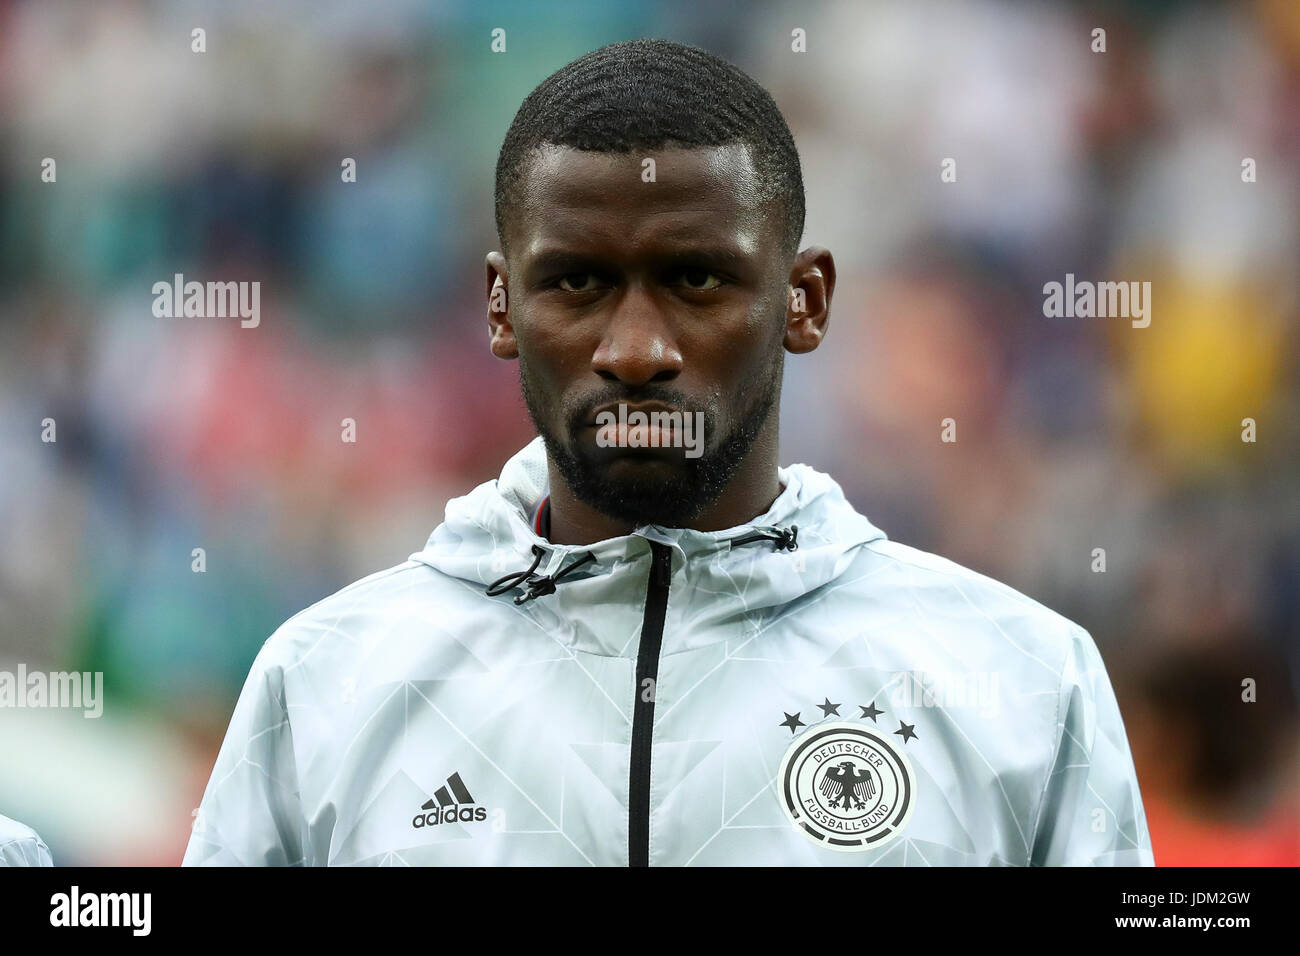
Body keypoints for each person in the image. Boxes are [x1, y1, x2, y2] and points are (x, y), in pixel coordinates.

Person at [183, 38, 1153, 866]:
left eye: (695, 277)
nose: (635, 348)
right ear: (499, 305)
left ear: (804, 298)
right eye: (575, 282)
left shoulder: (1022, 679)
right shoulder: (323, 683)